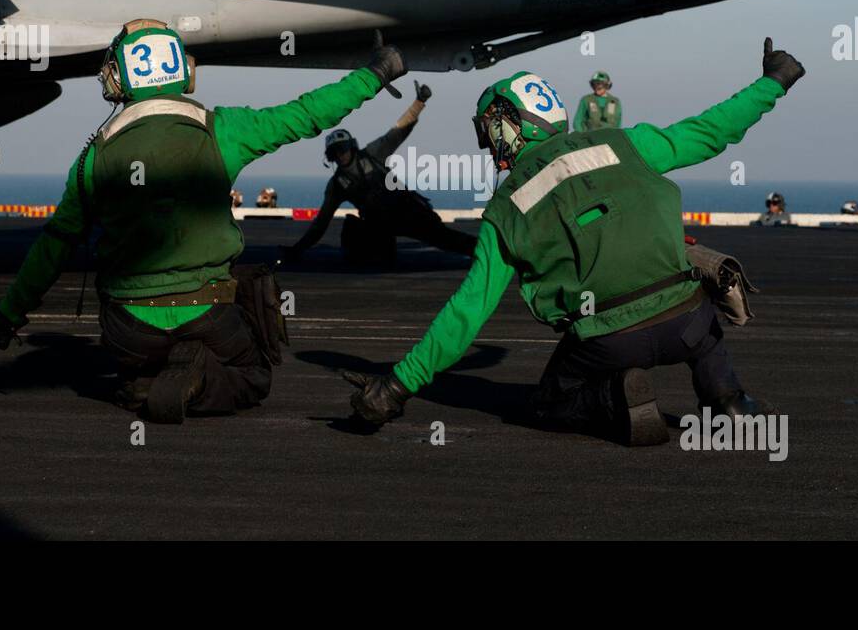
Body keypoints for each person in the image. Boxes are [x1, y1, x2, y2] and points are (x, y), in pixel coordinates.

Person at [344, 38, 804, 446]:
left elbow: (466, 314)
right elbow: (712, 130)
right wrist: (775, 81)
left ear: (511, 124)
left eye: (489, 130)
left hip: (609, 341)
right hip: (686, 322)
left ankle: (614, 399)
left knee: (548, 403)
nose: (488, 146)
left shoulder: (504, 211)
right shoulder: (629, 143)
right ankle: (727, 401)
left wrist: (395, 388)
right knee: (705, 332)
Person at [0, 18, 408, 423]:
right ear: (184, 71)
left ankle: (143, 382)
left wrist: (7, 315)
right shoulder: (222, 130)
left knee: (135, 363)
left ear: (119, 78)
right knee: (253, 377)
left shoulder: (93, 158)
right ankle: (193, 381)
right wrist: (376, 72)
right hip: (208, 315)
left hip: (128, 330)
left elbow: (55, 244)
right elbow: (310, 113)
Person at [283, 81, 476, 265]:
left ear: (351, 147)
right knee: (353, 230)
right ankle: (379, 255)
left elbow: (398, 132)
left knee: (446, 239)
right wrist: (298, 249)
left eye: (342, 149)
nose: (340, 155)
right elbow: (321, 224)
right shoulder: (337, 185)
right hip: (380, 224)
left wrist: (419, 103)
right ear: (330, 157)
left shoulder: (373, 153)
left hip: (409, 212)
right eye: (335, 152)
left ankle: (486, 251)